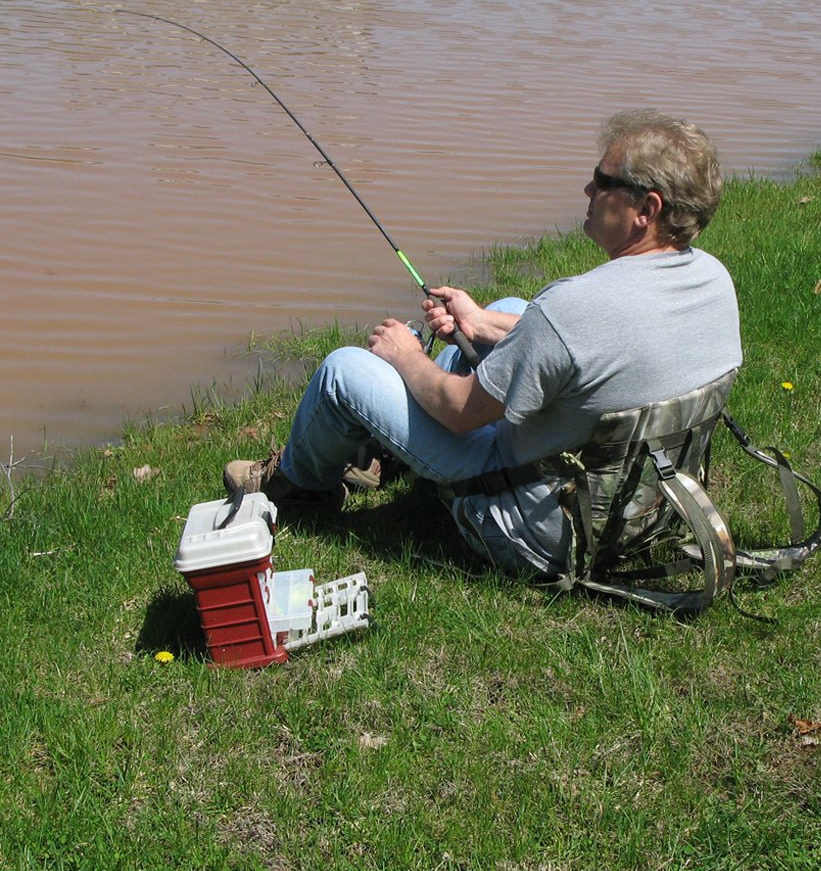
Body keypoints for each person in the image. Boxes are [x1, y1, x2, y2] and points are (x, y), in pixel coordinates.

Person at [225, 109, 742, 579]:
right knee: (515, 308)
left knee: (345, 371)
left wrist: (406, 356)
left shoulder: (574, 308)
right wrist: (477, 321)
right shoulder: (713, 279)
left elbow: (460, 411)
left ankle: (299, 484)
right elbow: (582, 344)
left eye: (603, 182)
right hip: (642, 513)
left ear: (645, 209)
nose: (587, 189)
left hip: (532, 526)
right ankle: (380, 447)